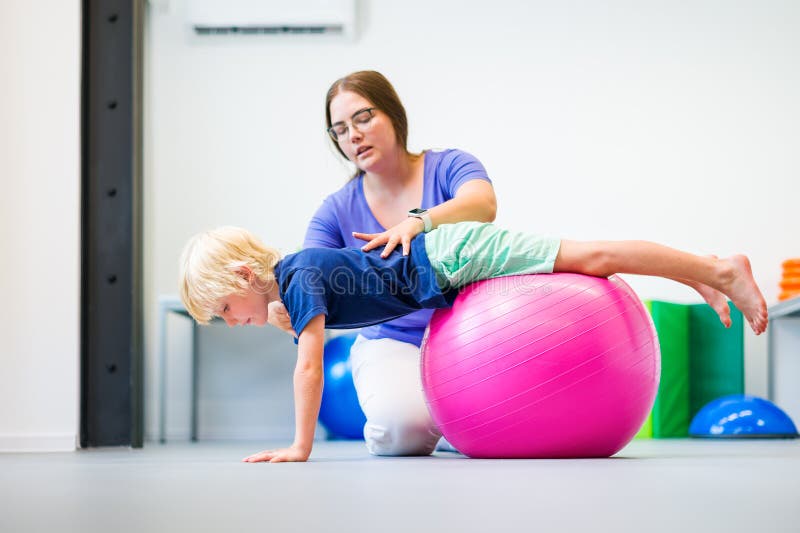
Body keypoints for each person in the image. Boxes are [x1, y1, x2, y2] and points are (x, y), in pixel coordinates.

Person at [178, 221, 769, 463]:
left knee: (594, 259)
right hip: (445, 268)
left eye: (226, 310)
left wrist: (299, 447)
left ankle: (718, 271)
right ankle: (708, 272)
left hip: (454, 256)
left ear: (242, 278)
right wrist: (276, 316)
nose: (233, 322)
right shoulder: (297, 284)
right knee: (594, 259)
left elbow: (309, 370)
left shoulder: (300, 277)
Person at [268, 70, 497, 456]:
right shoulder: (336, 210)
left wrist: (418, 221)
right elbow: (305, 275)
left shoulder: (449, 165)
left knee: (506, 423)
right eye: (339, 129)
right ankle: (442, 424)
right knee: (399, 433)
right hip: (393, 341)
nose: (352, 136)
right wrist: (281, 307)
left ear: (393, 114)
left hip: (468, 334)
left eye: (363, 118)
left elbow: (483, 205)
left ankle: (453, 424)